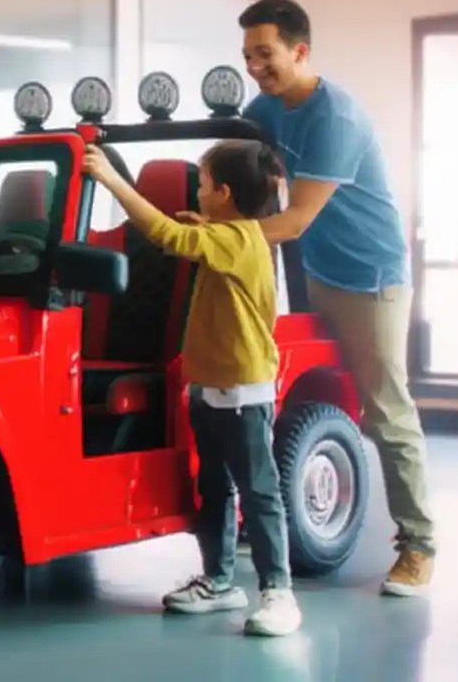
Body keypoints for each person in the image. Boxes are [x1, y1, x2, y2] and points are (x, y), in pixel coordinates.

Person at [234, 0, 435, 597]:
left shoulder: (335, 118)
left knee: (384, 409)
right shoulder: (261, 109)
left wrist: (211, 237)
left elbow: (293, 218)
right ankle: (275, 515)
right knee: (291, 394)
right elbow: (239, 176)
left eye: (265, 54)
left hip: (370, 277)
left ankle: (419, 544)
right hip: (315, 271)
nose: (255, 68)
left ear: (300, 51)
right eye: (247, 56)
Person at [83, 139, 301, 637]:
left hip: (243, 395)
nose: (197, 194)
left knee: (258, 492)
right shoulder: (230, 234)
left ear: (223, 193)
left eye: (202, 185)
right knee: (214, 489)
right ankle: (220, 580)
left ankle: (278, 591)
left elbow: (164, 234)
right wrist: (203, 226)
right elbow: (202, 236)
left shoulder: (242, 239)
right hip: (208, 389)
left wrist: (113, 182)